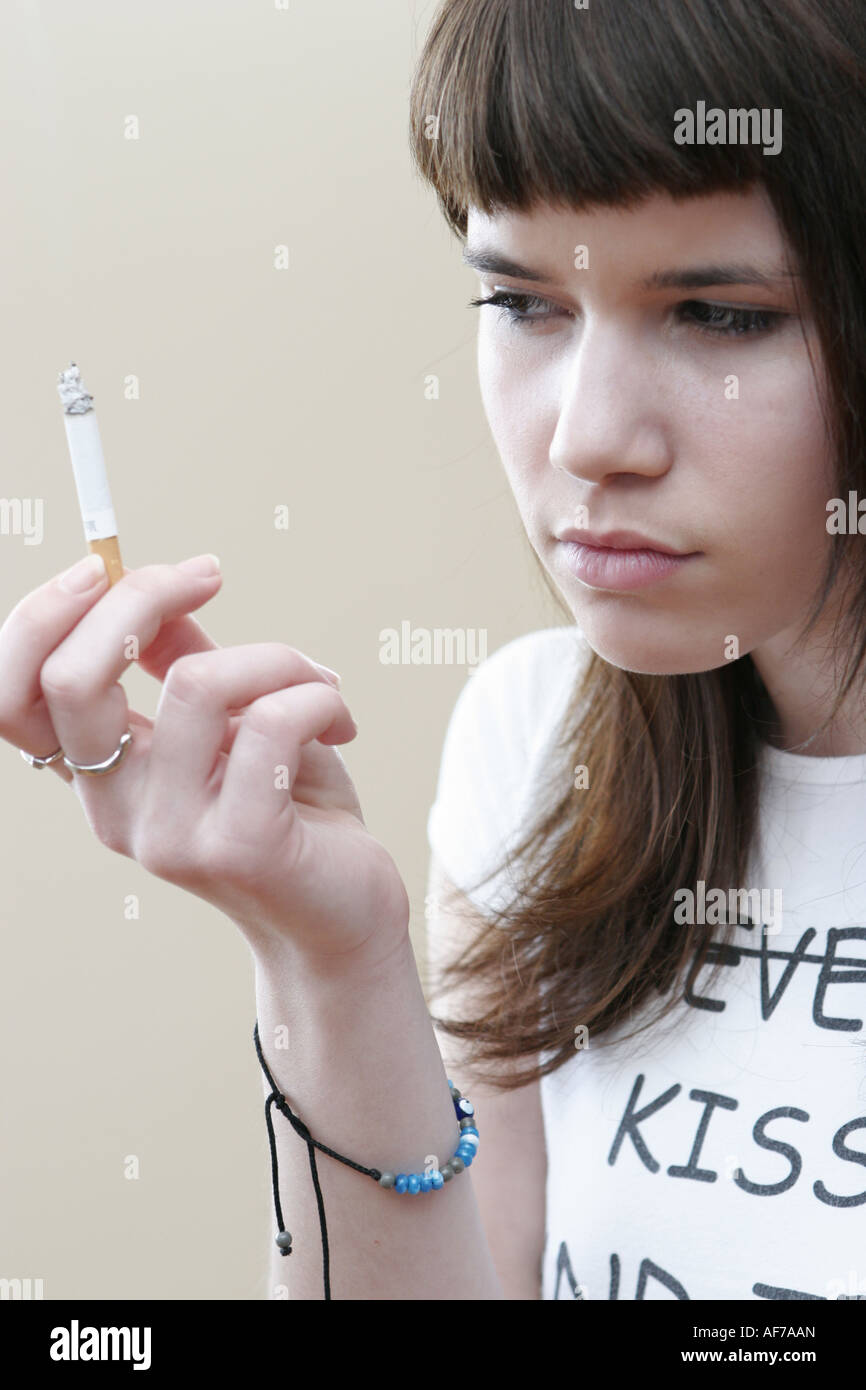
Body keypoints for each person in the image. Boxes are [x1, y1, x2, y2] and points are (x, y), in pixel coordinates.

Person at [2, 0, 864, 1300]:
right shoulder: (535, 740)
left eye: (717, 314)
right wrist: (328, 959)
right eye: (521, 299)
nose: (586, 438)